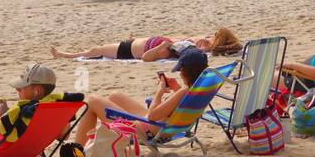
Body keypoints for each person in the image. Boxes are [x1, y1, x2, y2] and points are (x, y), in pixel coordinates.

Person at [71, 48, 211, 144]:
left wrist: (160, 92)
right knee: (115, 96)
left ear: (186, 71)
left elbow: (152, 115)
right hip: (158, 126)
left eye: (181, 70)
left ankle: (77, 149)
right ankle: (100, 140)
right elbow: (181, 105)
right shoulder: (197, 89)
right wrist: (175, 88)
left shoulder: (184, 91)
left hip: (147, 131)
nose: (179, 73)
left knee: (92, 101)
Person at [50, 27, 242, 61]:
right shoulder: (204, 41)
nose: (208, 36)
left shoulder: (189, 50)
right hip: (141, 41)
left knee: (96, 50)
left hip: (129, 50)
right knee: (100, 48)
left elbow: (145, 58)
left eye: (213, 36)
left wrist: (160, 47)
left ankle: (68, 55)